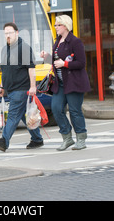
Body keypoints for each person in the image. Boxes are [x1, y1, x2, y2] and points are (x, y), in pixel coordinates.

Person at [0, 22, 44, 152]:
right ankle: (37, 139)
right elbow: (5, 71)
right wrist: (2, 87)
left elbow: (31, 69)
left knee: (13, 115)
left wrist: (32, 87)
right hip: (11, 89)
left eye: (10, 32)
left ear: (17, 33)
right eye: (6, 33)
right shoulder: (5, 49)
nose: (8, 35)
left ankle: (4, 141)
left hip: (22, 88)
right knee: (22, 116)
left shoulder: (24, 48)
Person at [40, 15, 91, 151]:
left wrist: (65, 64)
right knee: (56, 109)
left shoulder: (75, 42)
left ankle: (81, 139)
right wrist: (47, 57)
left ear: (65, 26)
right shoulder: (57, 42)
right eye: (55, 25)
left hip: (74, 83)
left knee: (75, 111)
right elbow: (56, 62)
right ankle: (67, 138)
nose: (55, 27)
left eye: (58, 25)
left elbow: (81, 63)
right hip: (60, 83)